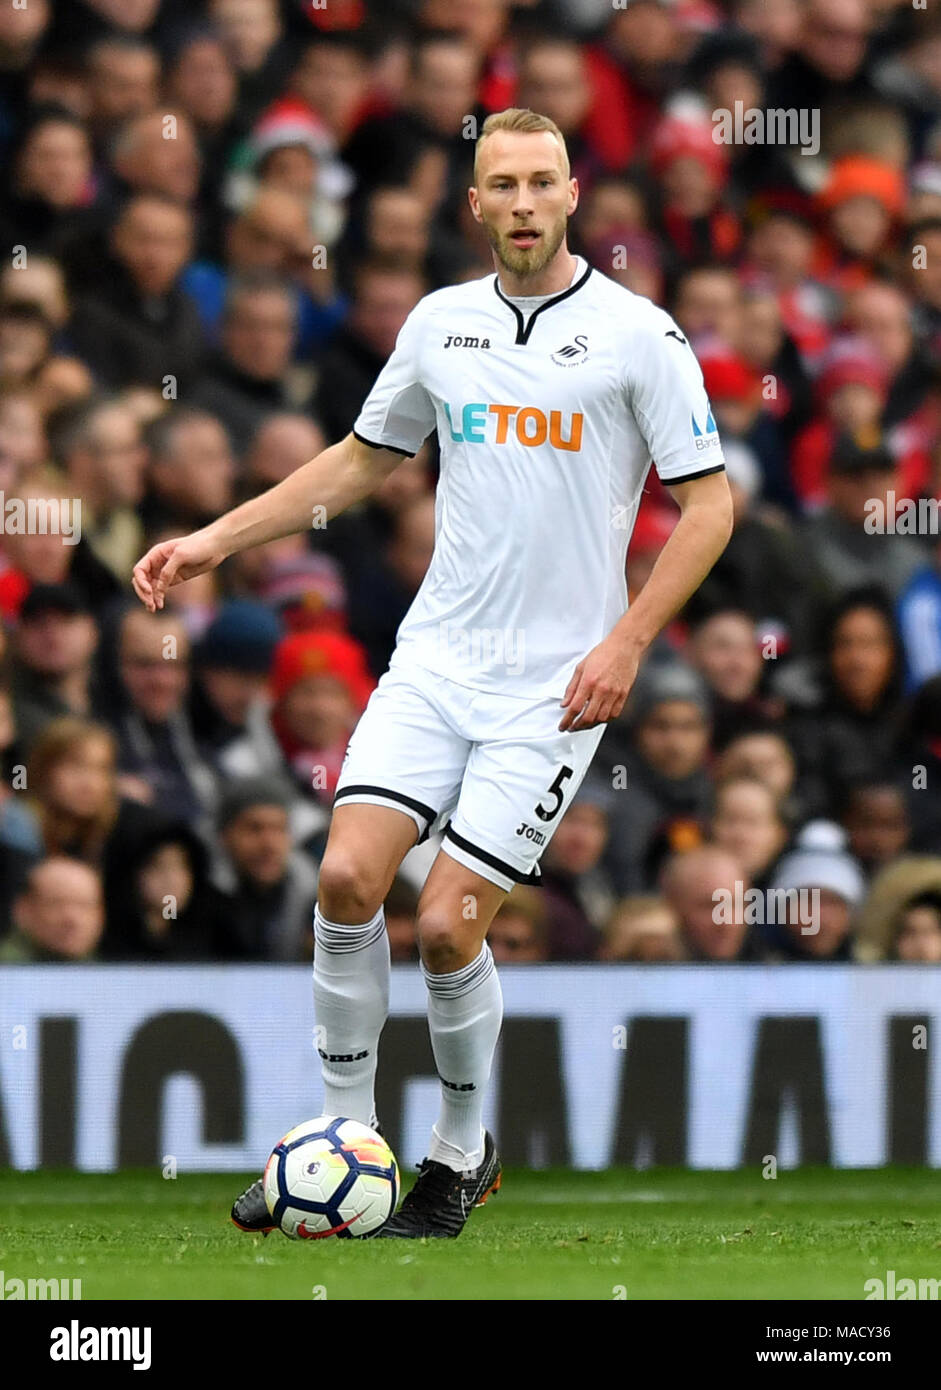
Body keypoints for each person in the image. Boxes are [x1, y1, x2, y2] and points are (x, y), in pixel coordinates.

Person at [133, 108, 733, 1238]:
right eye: (497, 183)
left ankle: (460, 1154)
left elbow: (709, 506)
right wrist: (217, 538)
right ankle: (342, 1141)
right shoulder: (437, 323)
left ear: (570, 195)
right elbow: (363, 461)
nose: (518, 202)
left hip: (556, 683)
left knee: (451, 923)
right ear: (472, 203)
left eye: (538, 182)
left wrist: (627, 641)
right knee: (347, 881)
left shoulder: (637, 335)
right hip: (435, 657)